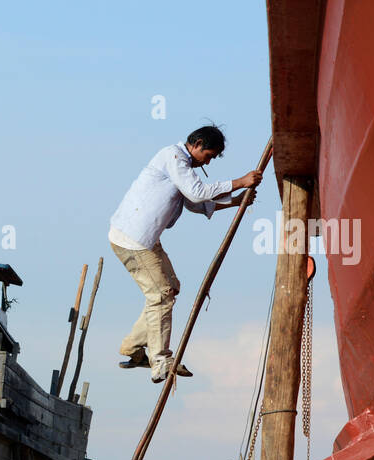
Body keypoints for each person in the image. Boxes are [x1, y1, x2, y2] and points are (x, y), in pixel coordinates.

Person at [109, 125, 262, 382]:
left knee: (170, 287)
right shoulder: (174, 157)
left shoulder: (182, 166)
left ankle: (134, 347)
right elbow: (196, 193)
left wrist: (235, 201)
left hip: (144, 239)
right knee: (161, 294)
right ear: (197, 143)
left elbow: (193, 203)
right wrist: (240, 182)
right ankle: (160, 362)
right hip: (132, 239)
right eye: (209, 155)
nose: (208, 161)